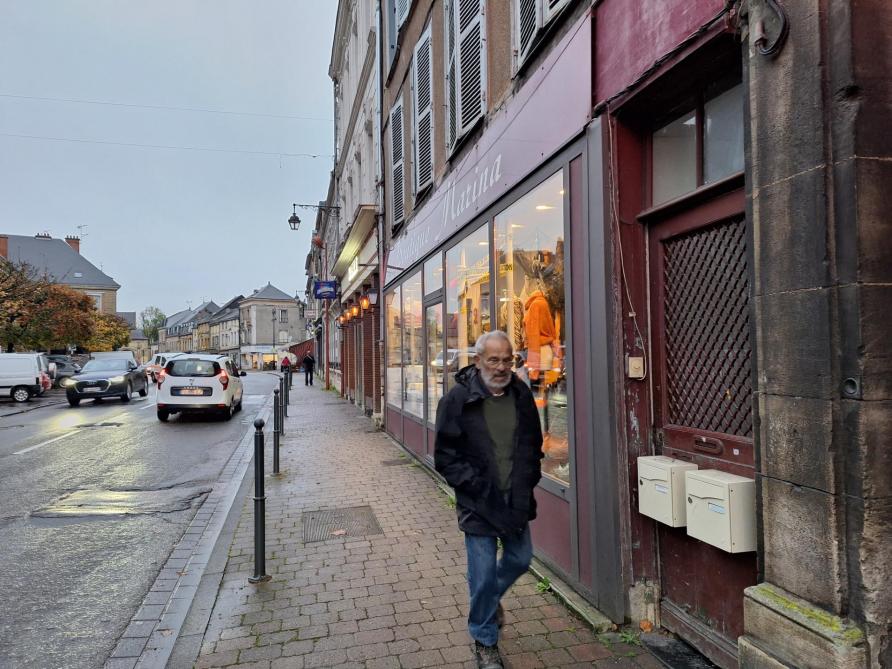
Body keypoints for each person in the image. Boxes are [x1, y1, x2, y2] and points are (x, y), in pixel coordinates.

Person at [434, 330, 544, 669]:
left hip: (515, 500)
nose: (500, 367)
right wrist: (476, 487)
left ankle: (487, 601)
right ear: (478, 360)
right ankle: (485, 641)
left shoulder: (521, 394)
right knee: (481, 576)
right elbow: (445, 456)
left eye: (506, 360)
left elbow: (532, 443)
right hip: (479, 502)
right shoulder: (457, 399)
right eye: (493, 360)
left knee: (520, 558)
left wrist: (528, 480)